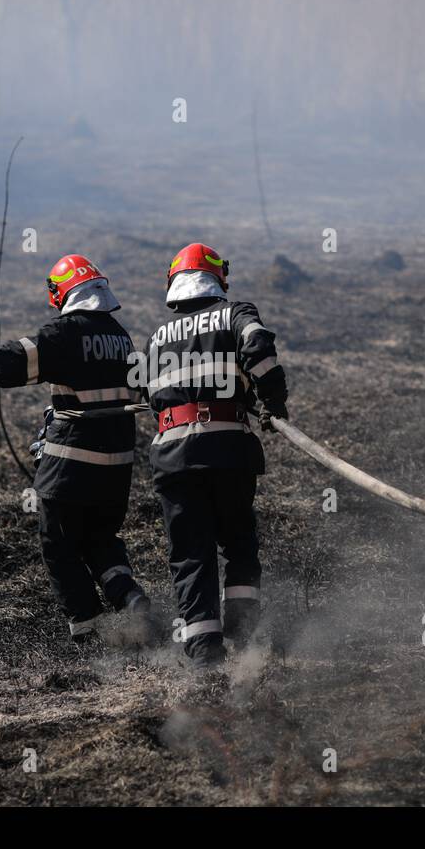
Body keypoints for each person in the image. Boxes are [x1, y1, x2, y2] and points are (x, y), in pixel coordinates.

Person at [0, 255, 153, 645]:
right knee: (100, 538)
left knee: (58, 542)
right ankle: (130, 598)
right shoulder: (120, 335)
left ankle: (89, 629)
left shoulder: (64, 333)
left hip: (71, 465)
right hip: (117, 466)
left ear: (62, 293)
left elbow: (14, 361)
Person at [140, 242, 288, 668]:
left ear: (175, 284)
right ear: (217, 278)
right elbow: (258, 347)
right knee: (238, 541)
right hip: (227, 449)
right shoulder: (235, 313)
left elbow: (152, 398)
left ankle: (205, 652)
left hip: (173, 456)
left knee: (190, 553)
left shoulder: (156, 338)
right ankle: (244, 635)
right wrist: (272, 401)